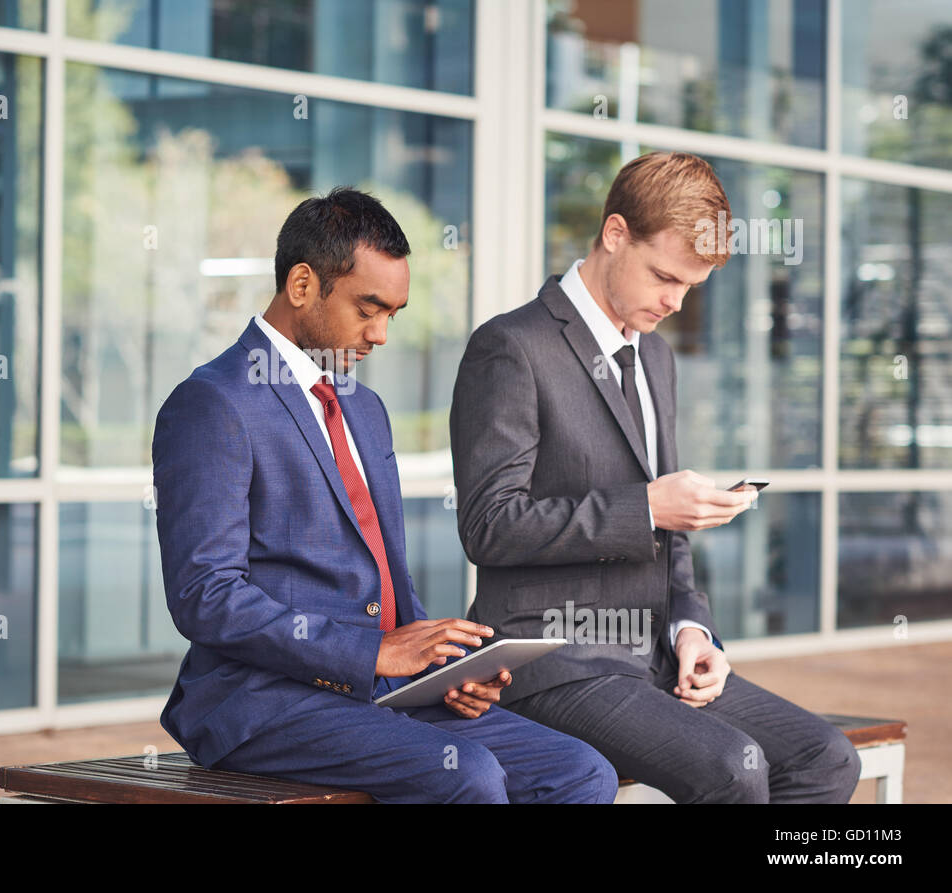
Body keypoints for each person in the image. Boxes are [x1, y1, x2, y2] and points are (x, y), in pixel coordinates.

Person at [152, 186, 618, 803]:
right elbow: (203, 596)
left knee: (581, 772)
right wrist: (370, 652)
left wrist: (442, 668)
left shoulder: (364, 409)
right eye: (367, 308)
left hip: (378, 690)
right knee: (466, 774)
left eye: (393, 314)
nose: (381, 335)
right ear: (301, 285)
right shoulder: (215, 402)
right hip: (261, 700)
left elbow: (384, 581)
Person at [449, 152, 861, 803]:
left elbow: (670, 533)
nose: (675, 301)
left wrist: (692, 627)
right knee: (734, 764)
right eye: (665, 276)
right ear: (615, 234)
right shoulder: (512, 346)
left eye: (691, 286)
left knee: (826, 757)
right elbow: (488, 525)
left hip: (653, 655)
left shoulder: (656, 356)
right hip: (556, 659)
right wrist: (643, 506)